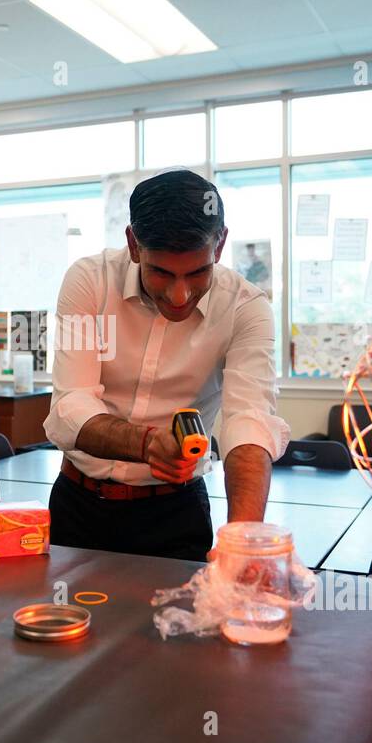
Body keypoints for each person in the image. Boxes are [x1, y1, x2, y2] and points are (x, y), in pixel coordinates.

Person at [44, 169, 290, 561]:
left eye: (198, 272)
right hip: (79, 507)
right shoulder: (89, 281)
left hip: (176, 514)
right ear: (134, 244)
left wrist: (242, 539)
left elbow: (249, 422)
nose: (179, 295)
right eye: (161, 272)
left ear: (220, 244)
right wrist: (146, 444)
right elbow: (70, 406)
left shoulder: (246, 308)